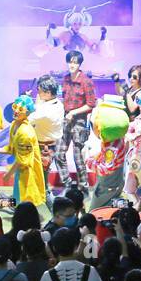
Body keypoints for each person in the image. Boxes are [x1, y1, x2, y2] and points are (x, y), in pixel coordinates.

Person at [0, 96, 45, 208]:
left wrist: (8, 173)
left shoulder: (25, 132)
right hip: (20, 170)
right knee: (18, 199)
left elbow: (23, 160)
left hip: (27, 172)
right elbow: (10, 148)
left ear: (27, 112)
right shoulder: (14, 125)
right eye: (15, 107)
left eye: (20, 109)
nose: (16, 111)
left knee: (27, 201)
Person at [56, 51, 98, 187]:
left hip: (79, 120)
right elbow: (63, 98)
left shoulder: (86, 81)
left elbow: (91, 104)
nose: (72, 64)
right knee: (59, 153)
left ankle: (83, 185)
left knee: (78, 156)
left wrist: (73, 112)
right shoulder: (66, 79)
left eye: (75, 62)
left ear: (79, 64)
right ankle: (67, 183)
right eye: (70, 61)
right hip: (66, 118)